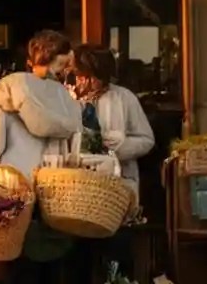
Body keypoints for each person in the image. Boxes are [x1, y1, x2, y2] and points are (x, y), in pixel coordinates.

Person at [0, 30, 82, 284]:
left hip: (16, 187)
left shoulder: (8, 92)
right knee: (54, 265)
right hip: (56, 188)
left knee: (19, 265)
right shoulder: (67, 99)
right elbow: (75, 149)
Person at [66, 43, 154, 280]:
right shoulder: (66, 99)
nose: (92, 83)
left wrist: (119, 148)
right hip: (77, 190)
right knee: (79, 257)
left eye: (98, 77)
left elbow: (147, 139)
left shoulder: (123, 98)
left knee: (116, 252)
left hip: (115, 189)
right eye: (87, 77)